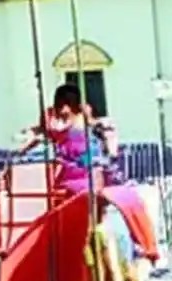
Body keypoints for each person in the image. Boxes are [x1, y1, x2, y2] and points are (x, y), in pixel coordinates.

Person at [22, 83, 159, 261]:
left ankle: (133, 244)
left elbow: (105, 142)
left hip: (87, 177)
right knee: (96, 209)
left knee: (113, 205)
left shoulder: (78, 122)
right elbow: (42, 133)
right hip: (80, 177)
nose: (63, 110)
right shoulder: (64, 123)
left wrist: (108, 146)